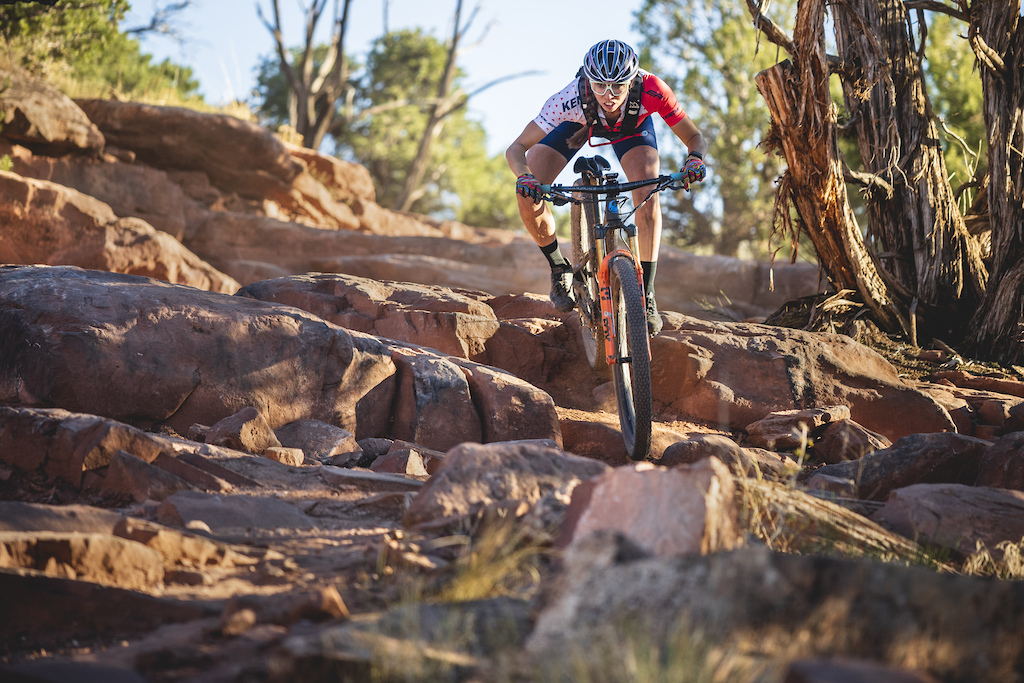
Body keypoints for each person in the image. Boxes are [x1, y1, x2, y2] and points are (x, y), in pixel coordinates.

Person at [505, 39, 708, 336]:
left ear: (633, 80)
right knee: (526, 192)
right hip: (577, 124)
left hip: (632, 128)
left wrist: (694, 160)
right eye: (600, 85)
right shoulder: (570, 98)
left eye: (618, 86)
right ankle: (559, 267)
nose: (609, 95)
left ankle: (646, 294)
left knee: (648, 195)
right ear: (588, 80)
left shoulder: (652, 89)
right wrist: (525, 177)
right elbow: (517, 148)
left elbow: (695, 138)